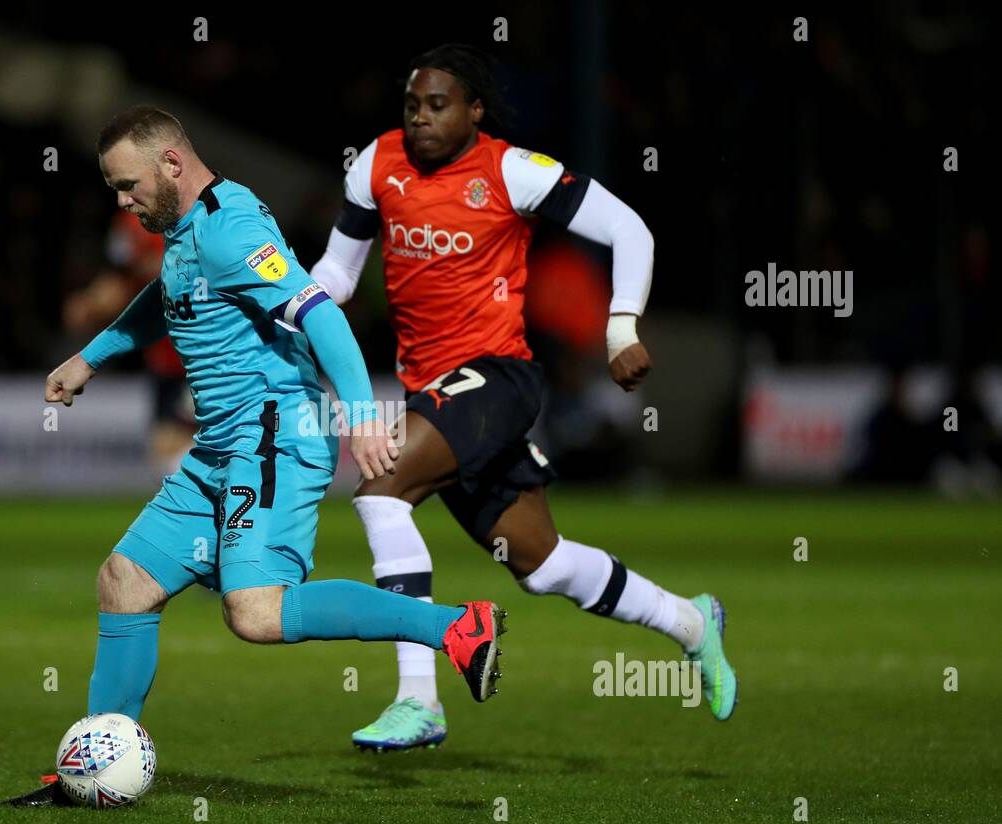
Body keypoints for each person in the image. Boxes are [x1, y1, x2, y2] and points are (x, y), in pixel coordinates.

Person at [3, 105, 506, 805]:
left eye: (126, 185)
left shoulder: (231, 227)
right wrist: (92, 356)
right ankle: (90, 763)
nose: (121, 201)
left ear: (170, 163)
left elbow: (320, 312)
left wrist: (361, 415)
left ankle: (454, 625)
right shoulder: (184, 230)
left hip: (275, 433)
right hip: (221, 443)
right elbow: (165, 299)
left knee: (258, 612)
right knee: (125, 579)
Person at [309, 45, 737, 751]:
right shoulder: (376, 164)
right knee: (544, 564)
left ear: (475, 110)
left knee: (382, 485)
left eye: (437, 104)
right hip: (436, 394)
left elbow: (631, 228)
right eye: (412, 105)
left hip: (496, 380)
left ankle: (419, 699)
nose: (419, 118)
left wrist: (620, 323)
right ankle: (693, 622)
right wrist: (287, 310)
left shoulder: (511, 171)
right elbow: (337, 273)